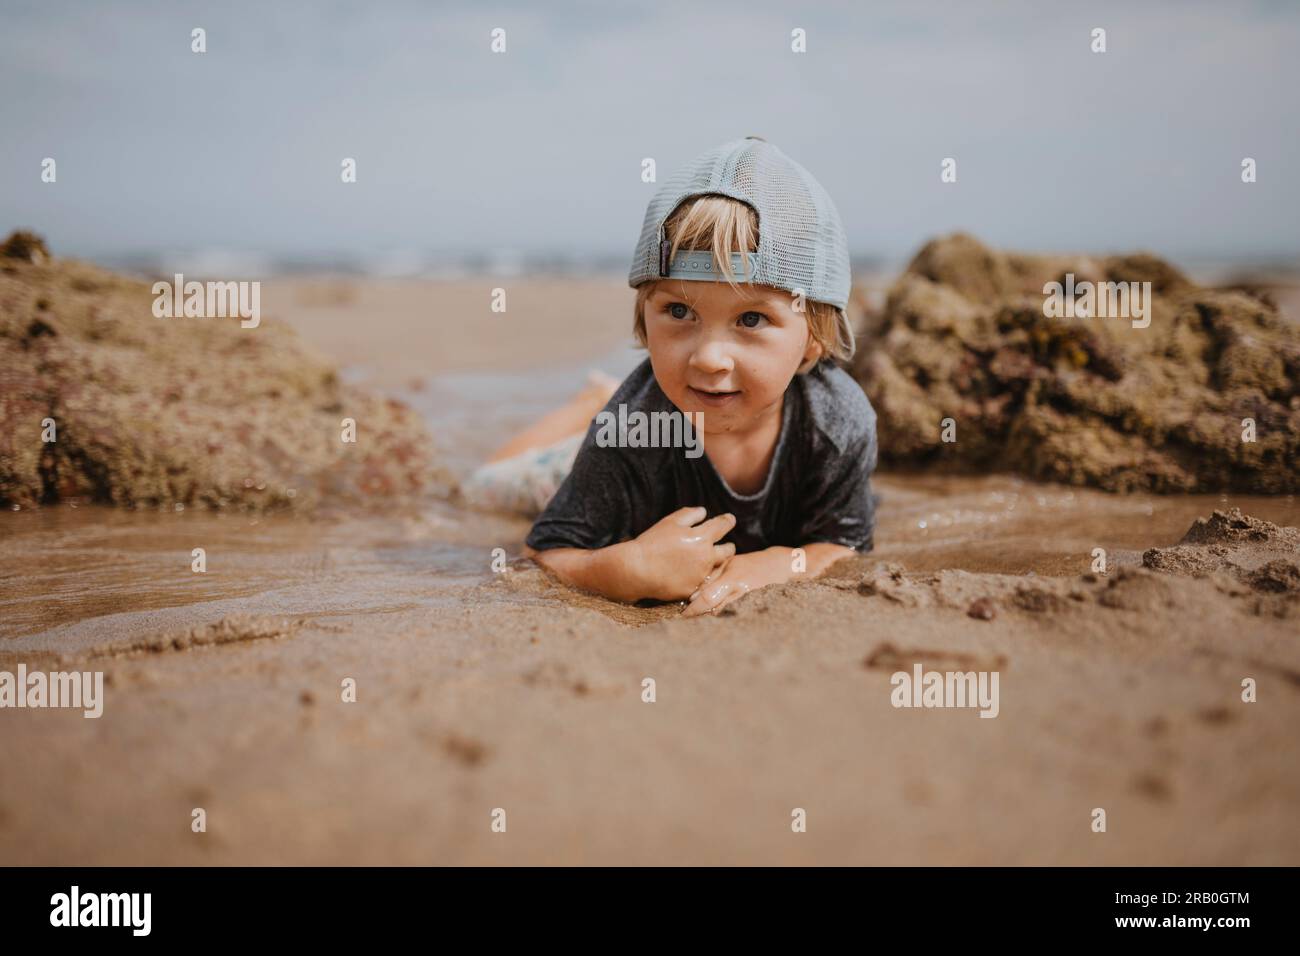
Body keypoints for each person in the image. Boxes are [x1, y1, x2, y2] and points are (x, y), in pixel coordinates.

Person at [465, 137, 878, 615]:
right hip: (598, 460)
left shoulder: (840, 422)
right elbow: (543, 552)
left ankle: (594, 400)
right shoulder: (628, 429)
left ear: (814, 337)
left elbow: (846, 542)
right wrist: (626, 569)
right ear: (645, 316)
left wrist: (785, 561)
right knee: (480, 490)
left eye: (751, 320)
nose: (708, 359)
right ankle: (586, 406)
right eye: (679, 310)